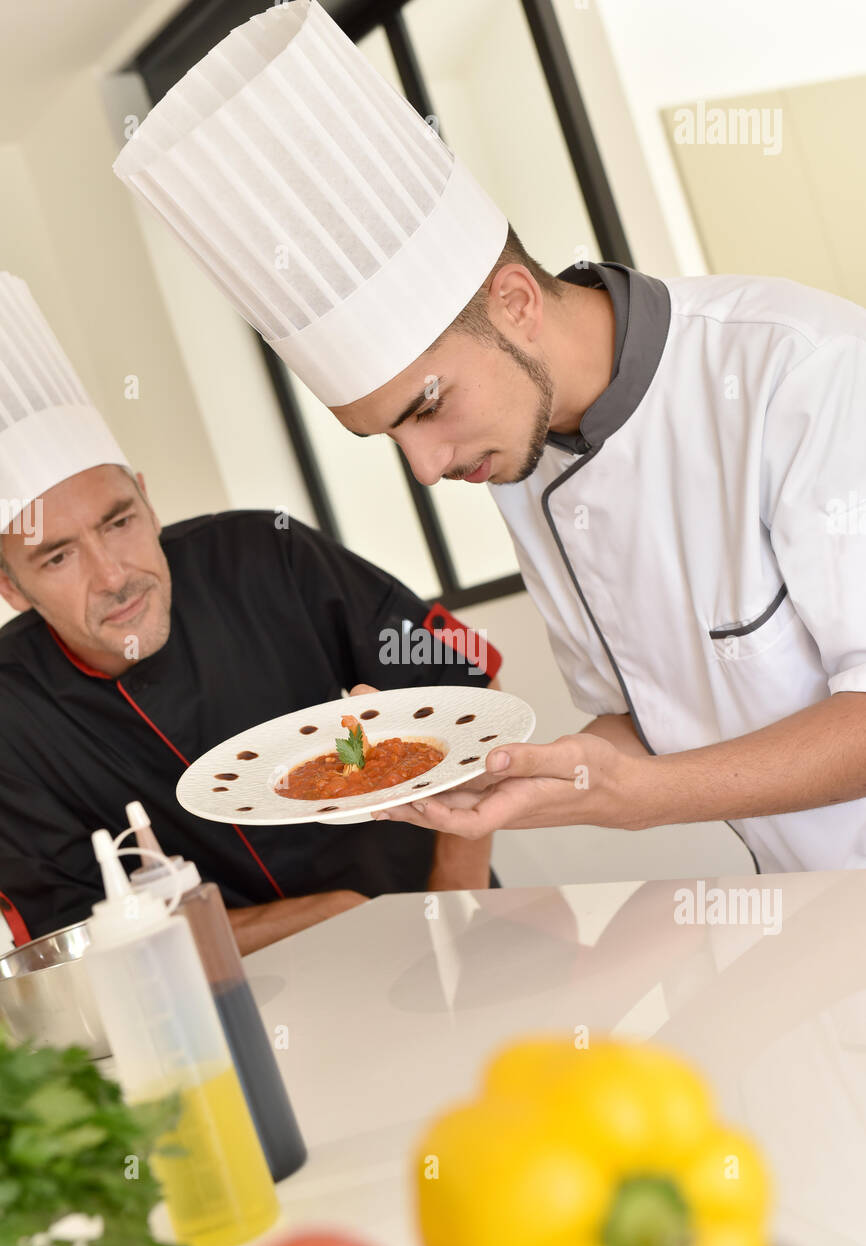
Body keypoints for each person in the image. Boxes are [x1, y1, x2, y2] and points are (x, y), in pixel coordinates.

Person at [113, 0, 866, 874]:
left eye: (426, 408)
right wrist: (483, 768)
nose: (427, 469)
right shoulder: (519, 457)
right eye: (387, 438)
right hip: (812, 903)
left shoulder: (802, 372)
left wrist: (638, 798)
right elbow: (642, 720)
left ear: (515, 303)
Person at [0, 273, 496, 955]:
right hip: (232, 995)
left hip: (441, 919)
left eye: (119, 522)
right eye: (58, 557)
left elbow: (467, 692)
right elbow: (80, 934)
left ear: (146, 500)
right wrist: (336, 916)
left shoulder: (265, 553)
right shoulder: (11, 715)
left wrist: (459, 908)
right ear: (10, 587)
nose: (113, 576)